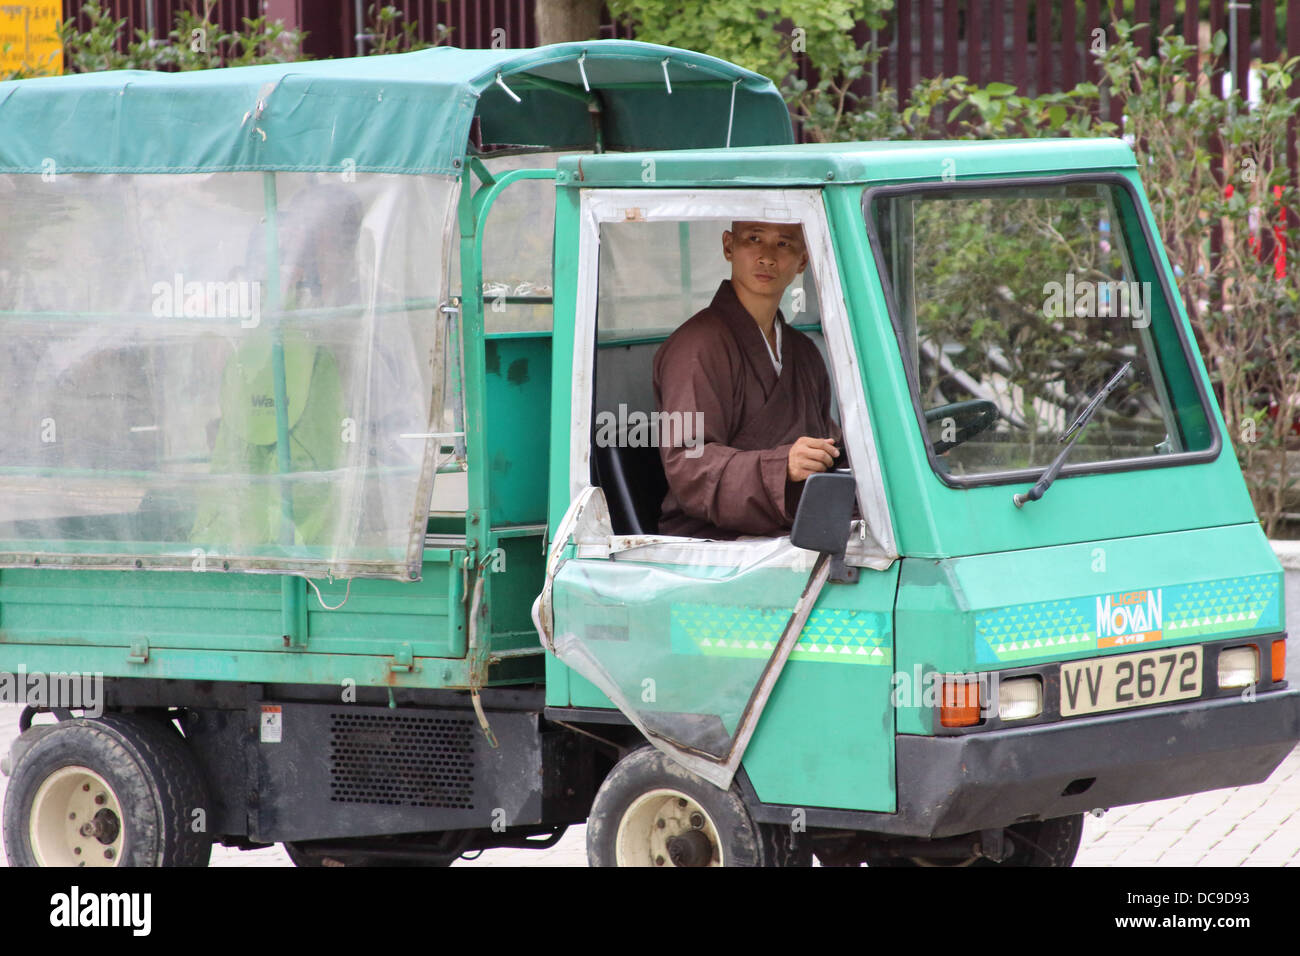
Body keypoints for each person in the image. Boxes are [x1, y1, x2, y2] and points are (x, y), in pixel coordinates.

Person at [652, 220, 843, 539]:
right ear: (729, 246)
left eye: (784, 244)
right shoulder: (696, 347)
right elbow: (689, 462)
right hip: (713, 541)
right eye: (754, 239)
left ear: (803, 261)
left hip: (794, 528)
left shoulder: (804, 352)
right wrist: (782, 466)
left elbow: (828, 442)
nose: (767, 257)